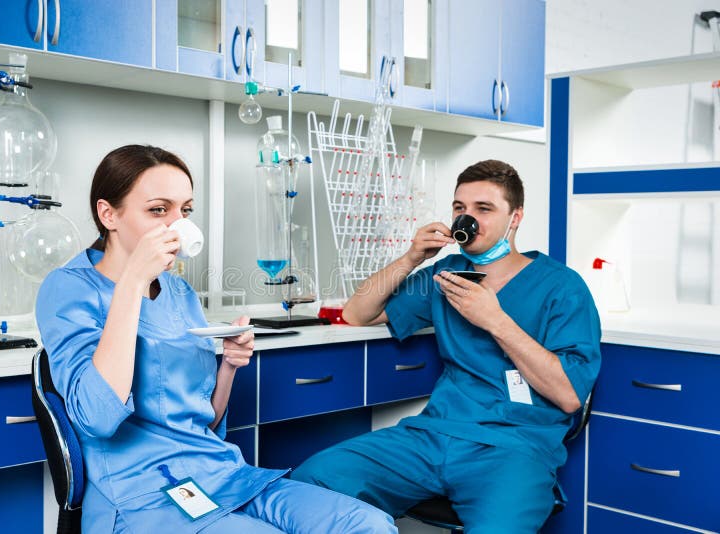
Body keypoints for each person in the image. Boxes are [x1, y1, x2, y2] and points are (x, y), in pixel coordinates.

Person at [35, 145, 397, 534]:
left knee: (369, 525)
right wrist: (133, 282)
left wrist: (228, 366)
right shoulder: (70, 289)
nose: (176, 224)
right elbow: (98, 418)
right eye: (159, 210)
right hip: (141, 494)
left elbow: (202, 422)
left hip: (218, 473)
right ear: (109, 215)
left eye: (185, 211)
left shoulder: (179, 293)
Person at [292, 159, 601, 533]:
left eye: (483, 209)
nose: (466, 219)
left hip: (513, 448)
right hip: (431, 436)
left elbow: (569, 395)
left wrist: (495, 319)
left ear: (515, 217)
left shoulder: (562, 287)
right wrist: (412, 257)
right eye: (459, 208)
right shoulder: (446, 275)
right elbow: (358, 313)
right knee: (312, 482)